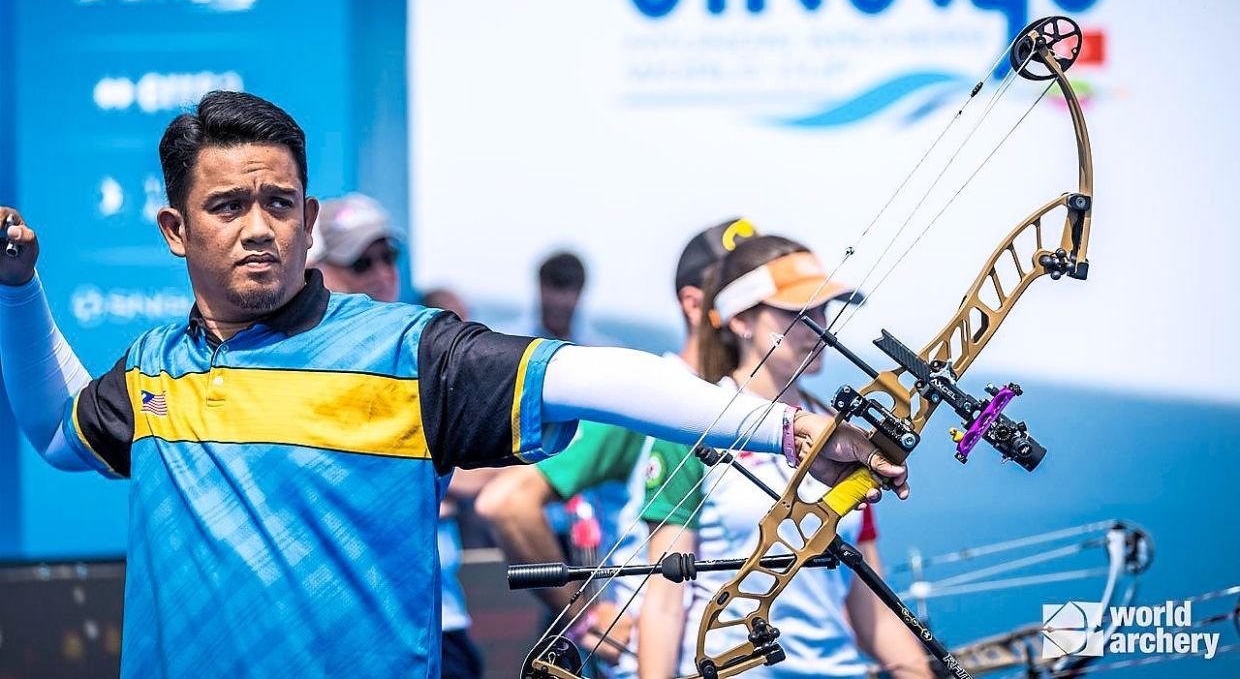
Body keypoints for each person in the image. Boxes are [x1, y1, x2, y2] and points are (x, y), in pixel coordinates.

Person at [0, 91, 906, 678]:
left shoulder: (407, 351)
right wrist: (19, 290)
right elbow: (55, 433)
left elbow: (599, 376)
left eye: (279, 203)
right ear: (174, 228)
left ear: (309, 220)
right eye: (227, 206)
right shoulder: (155, 367)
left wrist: (792, 434)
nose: (258, 227)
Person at [637, 234, 932, 678]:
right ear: (741, 320)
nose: (819, 326)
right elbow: (664, 600)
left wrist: (916, 671)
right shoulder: (694, 428)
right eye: (798, 312)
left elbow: (869, 599)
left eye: (822, 310)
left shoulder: (846, 437)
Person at [475, 218, 760, 675]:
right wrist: (586, 616)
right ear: (693, 304)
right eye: (742, 290)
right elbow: (507, 503)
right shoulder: (646, 400)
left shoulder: (755, 410)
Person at [309, 198, 488, 679]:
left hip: (429, 628)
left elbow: (492, 474)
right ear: (314, 267)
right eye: (361, 261)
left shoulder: (416, 358)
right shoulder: (293, 367)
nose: (382, 272)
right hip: (340, 640)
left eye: (389, 256)